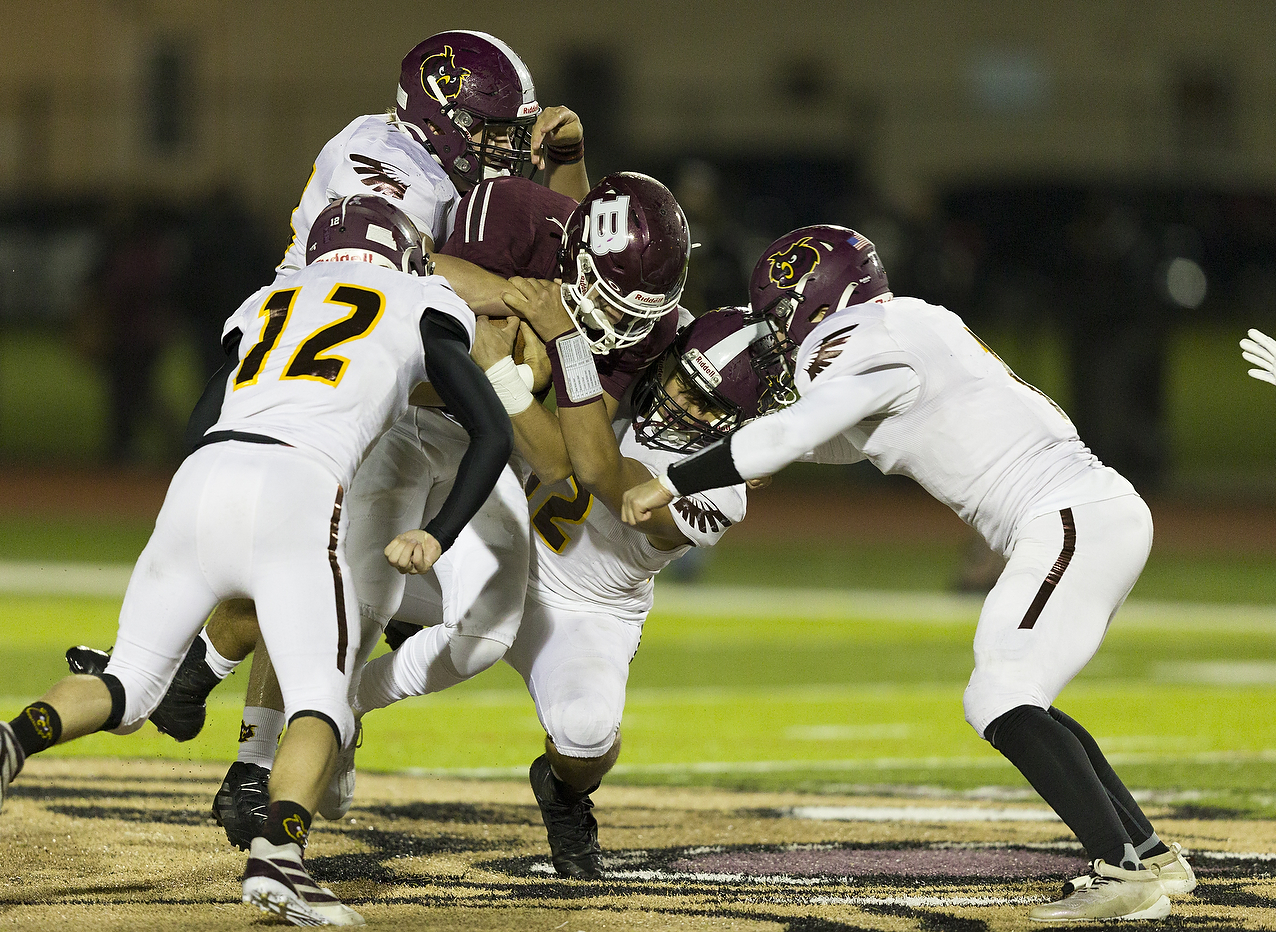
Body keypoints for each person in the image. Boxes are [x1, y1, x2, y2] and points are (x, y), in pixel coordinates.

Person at [0, 195, 512, 927]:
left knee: (127, 685)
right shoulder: (419, 298)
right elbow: (491, 433)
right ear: (404, 254)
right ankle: (280, 858)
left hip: (202, 480)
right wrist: (436, 531)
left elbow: (198, 419)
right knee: (321, 698)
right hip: (297, 487)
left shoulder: (271, 297)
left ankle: (9, 741)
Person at [621, 225, 1196, 923]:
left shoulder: (867, 338)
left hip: (1069, 515)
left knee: (1001, 692)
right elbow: (847, 437)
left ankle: (1121, 869)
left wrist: (676, 479)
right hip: (1083, 513)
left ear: (815, 300)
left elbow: (800, 432)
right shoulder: (906, 325)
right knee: (1019, 686)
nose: (776, 334)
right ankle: (1146, 850)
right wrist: (760, 452)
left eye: (779, 314)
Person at [126, 171, 694, 851]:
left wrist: (520, 361)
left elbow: (561, 457)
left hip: (488, 468)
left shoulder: (639, 334)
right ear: (572, 257)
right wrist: (499, 301)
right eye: (608, 299)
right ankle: (240, 750)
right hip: (399, 425)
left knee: (491, 642)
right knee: (314, 572)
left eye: (642, 309)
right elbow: (415, 263)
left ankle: (331, 709)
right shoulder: (512, 213)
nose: (625, 325)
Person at [485, 302, 770, 877]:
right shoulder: (630, 365)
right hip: (492, 548)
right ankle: (266, 759)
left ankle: (565, 794)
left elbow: (604, 477)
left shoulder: (726, 489)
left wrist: (555, 359)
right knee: (340, 578)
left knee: (586, 733)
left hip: (587, 611)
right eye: (685, 382)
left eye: (707, 403)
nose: (684, 403)